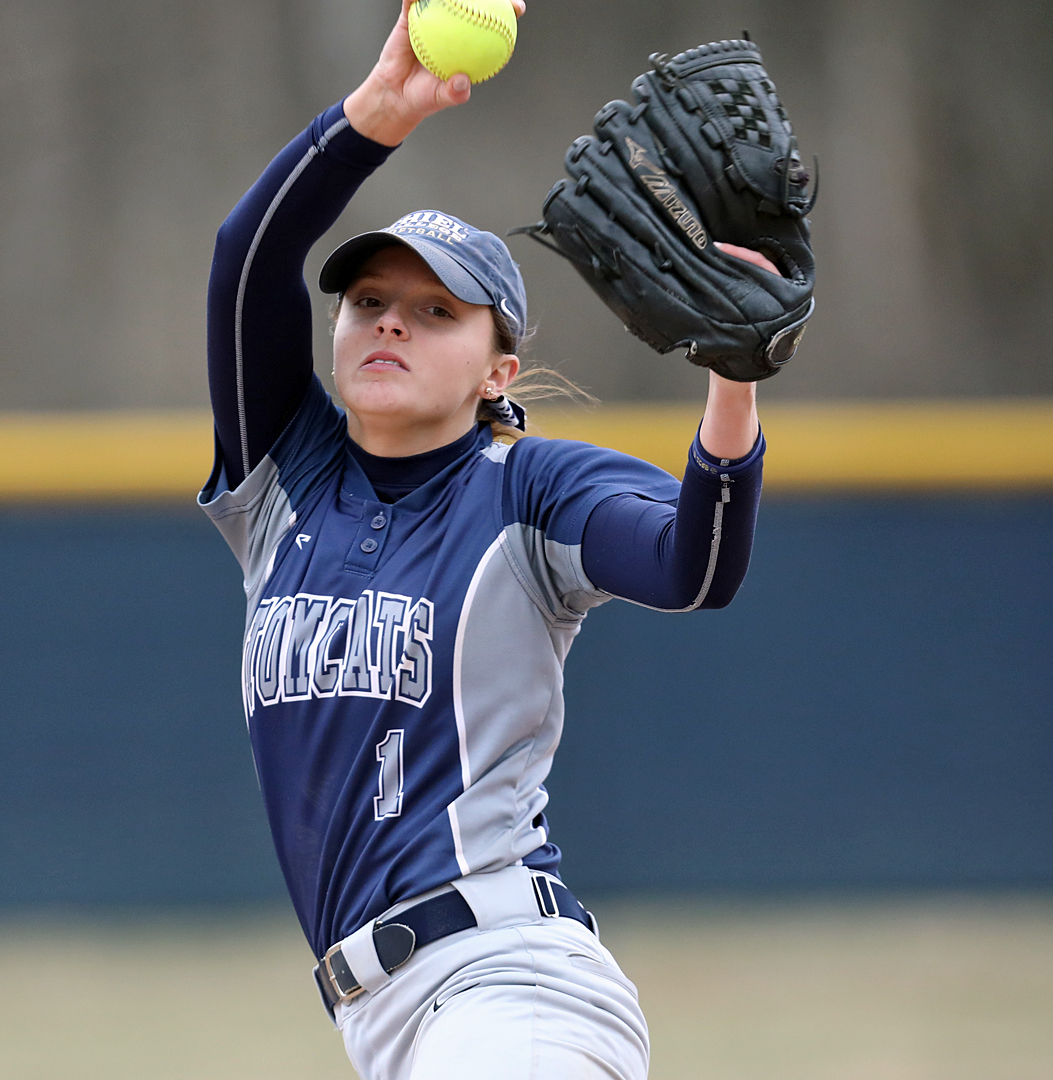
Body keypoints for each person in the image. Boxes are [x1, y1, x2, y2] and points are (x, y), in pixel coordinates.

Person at [200, 4, 772, 1077]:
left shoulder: (531, 489)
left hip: (514, 987)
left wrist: (732, 379)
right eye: (369, 299)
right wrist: (374, 115)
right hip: (381, 1022)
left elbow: (695, 567)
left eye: (436, 310)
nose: (390, 323)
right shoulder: (287, 481)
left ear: (498, 370)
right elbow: (249, 256)